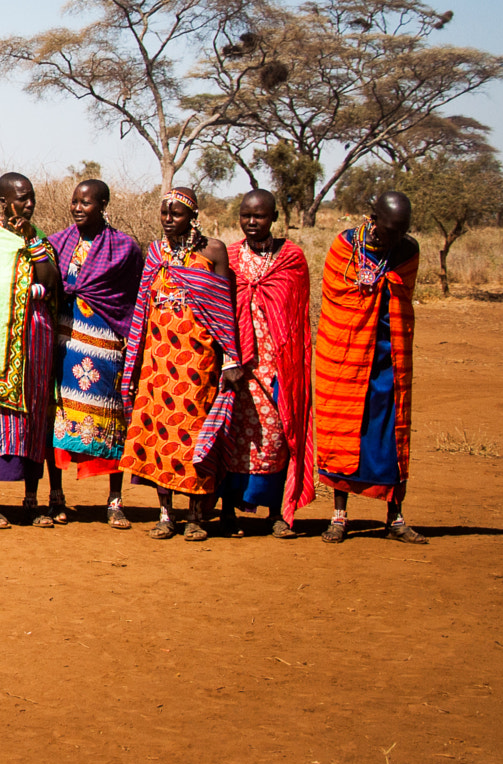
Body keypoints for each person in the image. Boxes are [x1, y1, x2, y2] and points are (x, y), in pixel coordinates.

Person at [117, 187, 241, 542]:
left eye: (177, 214)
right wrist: (135, 357)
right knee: (158, 436)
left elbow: (223, 309)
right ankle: (165, 514)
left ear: (193, 216)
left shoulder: (213, 251)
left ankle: (197, 516)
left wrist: (230, 356)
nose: (169, 220)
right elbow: (143, 306)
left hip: (198, 360)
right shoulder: (155, 252)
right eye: (165, 213)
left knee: (194, 436)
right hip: (158, 360)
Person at [313, 191, 424, 544]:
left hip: (390, 359)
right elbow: (336, 299)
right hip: (346, 357)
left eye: (402, 231)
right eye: (390, 229)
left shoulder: (407, 251)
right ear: (373, 219)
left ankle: (395, 519)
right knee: (344, 432)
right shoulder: (346, 247)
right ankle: (339, 516)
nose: (395, 237)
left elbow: (400, 297)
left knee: (391, 436)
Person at [0, 173, 59, 529]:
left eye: (31, 197)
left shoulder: (39, 240)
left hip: (34, 336)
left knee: (34, 413)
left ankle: (31, 500)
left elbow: (49, 282)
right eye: (22, 198)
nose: (29, 203)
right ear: (4, 201)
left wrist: (30, 242)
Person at [48, 179, 144, 527]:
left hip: (105, 345)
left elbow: (132, 301)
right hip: (64, 342)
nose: (77, 208)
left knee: (110, 417)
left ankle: (114, 500)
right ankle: (55, 495)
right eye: (74, 201)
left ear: (103, 204)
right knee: (55, 418)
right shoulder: (57, 243)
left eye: (85, 202)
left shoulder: (124, 248)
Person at [223, 189, 314, 539]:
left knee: (278, 437)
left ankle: (277, 512)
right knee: (233, 438)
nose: (251, 222)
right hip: (237, 368)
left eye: (259, 216)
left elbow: (297, 316)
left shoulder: (292, 258)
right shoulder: (228, 257)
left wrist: (286, 362)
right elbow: (218, 312)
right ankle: (228, 511)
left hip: (278, 366)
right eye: (246, 215)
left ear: (274, 218)